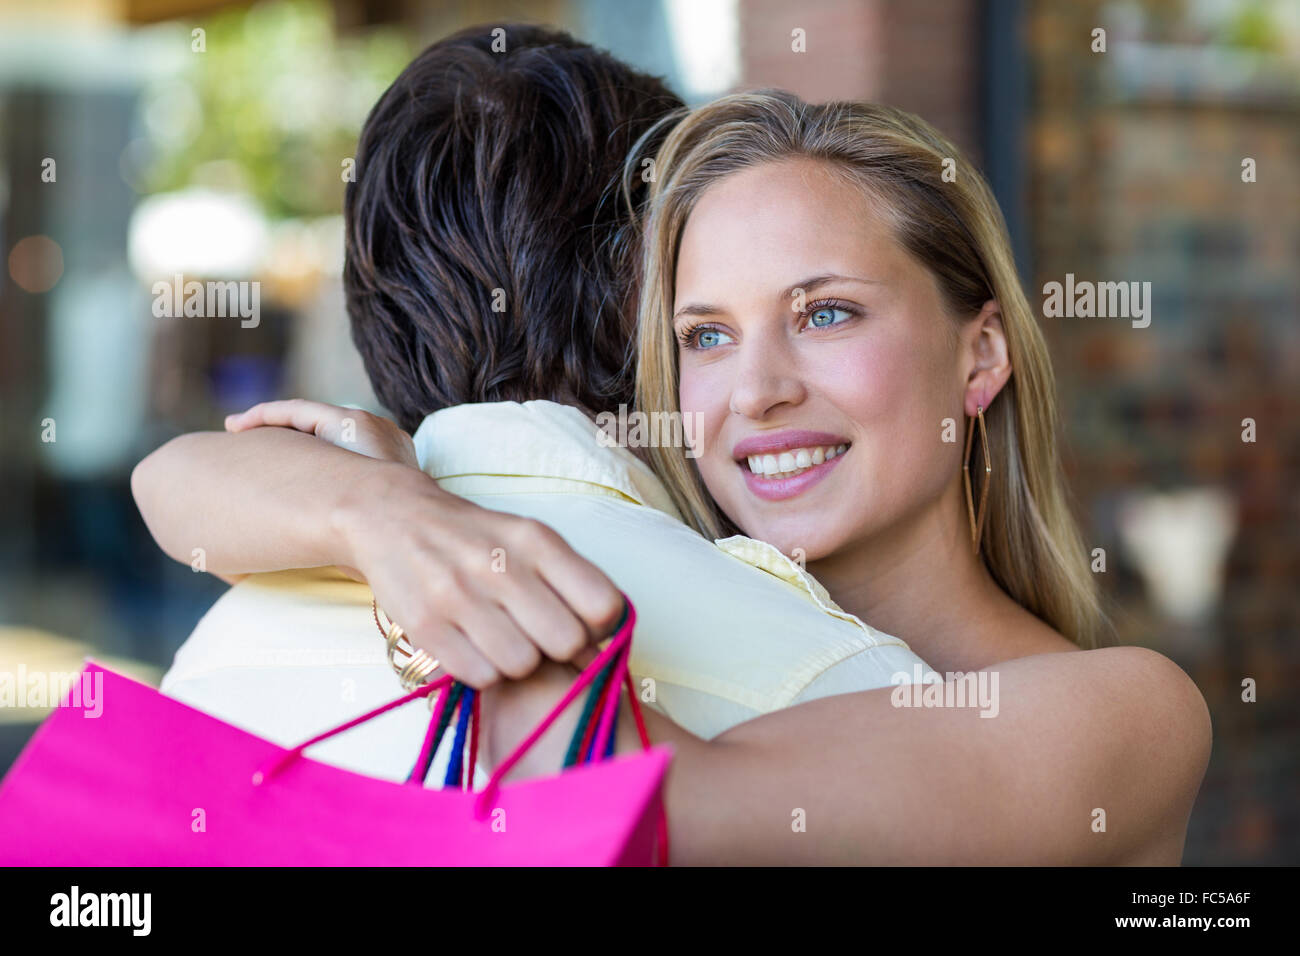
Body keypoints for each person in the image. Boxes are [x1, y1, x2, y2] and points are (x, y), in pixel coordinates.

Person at [133, 27, 937, 784]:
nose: (760, 387)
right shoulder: (858, 695)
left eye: (826, 315)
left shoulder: (217, 653)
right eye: (707, 316)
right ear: (645, 294)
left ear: (373, 312)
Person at [473, 90, 1211, 864]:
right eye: (708, 335)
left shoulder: (1131, 710)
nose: (757, 391)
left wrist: (416, 528)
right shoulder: (667, 645)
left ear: (983, 353)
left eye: (825, 313)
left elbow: (634, 809)